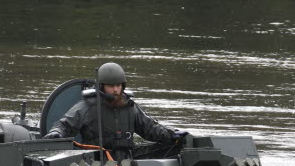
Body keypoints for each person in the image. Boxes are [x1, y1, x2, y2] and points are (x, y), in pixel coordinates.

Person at [42, 62, 188, 160]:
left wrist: (170, 134)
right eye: (111, 86)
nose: (116, 90)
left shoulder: (130, 107)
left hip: (127, 159)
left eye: (118, 85)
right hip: (97, 161)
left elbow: (150, 128)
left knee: (172, 147)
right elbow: (65, 124)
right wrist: (57, 132)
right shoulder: (87, 107)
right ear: (101, 86)